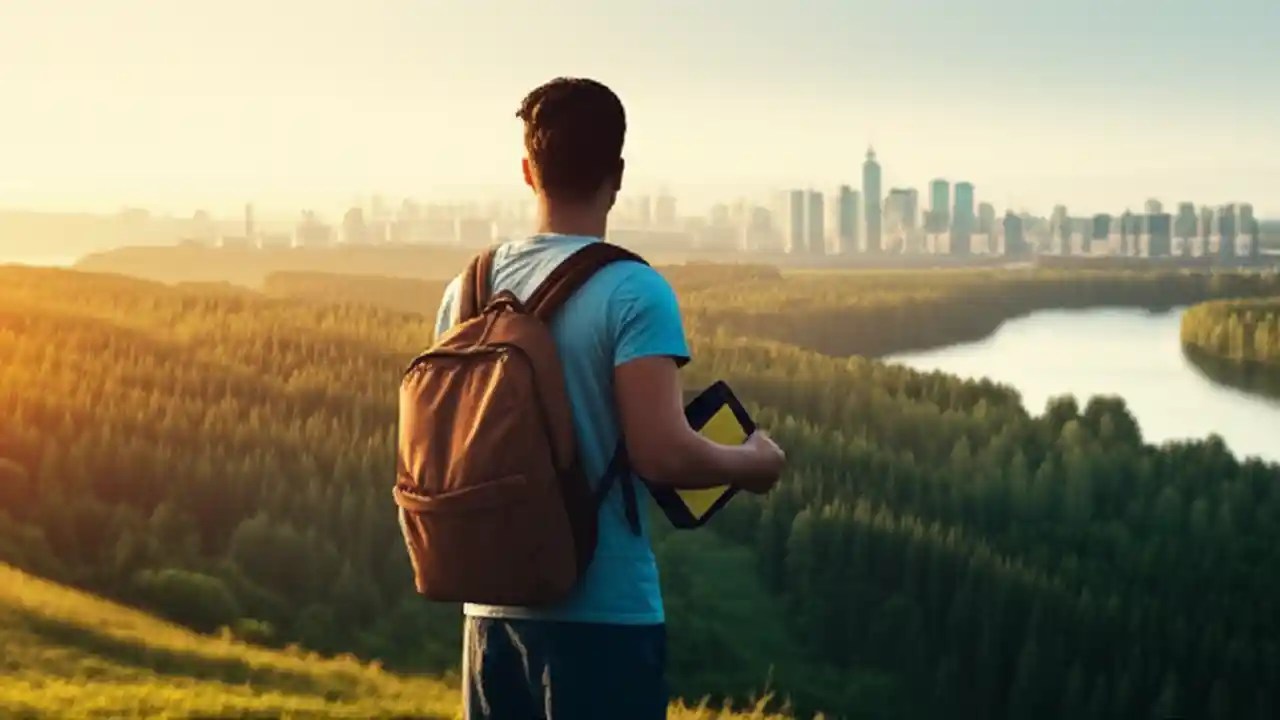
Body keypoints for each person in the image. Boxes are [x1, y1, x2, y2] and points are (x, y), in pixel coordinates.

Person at [432, 76, 787, 720]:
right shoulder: (632, 290)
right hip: (602, 617)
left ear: (526, 169)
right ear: (617, 174)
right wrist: (755, 463)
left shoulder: (467, 289)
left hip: (488, 614)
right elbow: (663, 455)